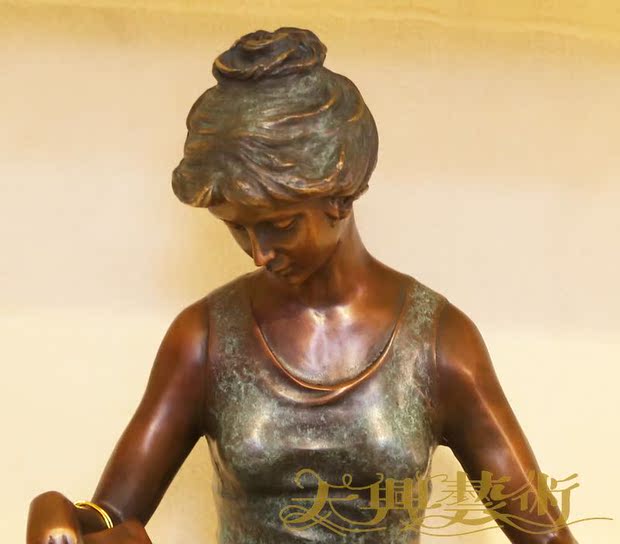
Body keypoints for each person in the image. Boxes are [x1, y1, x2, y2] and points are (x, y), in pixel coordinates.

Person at [27, 27, 579, 544]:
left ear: (340, 193)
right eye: (237, 228)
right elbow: (113, 515)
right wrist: (63, 517)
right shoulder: (204, 341)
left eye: (281, 224)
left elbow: (543, 533)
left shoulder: (438, 345)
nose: (259, 252)